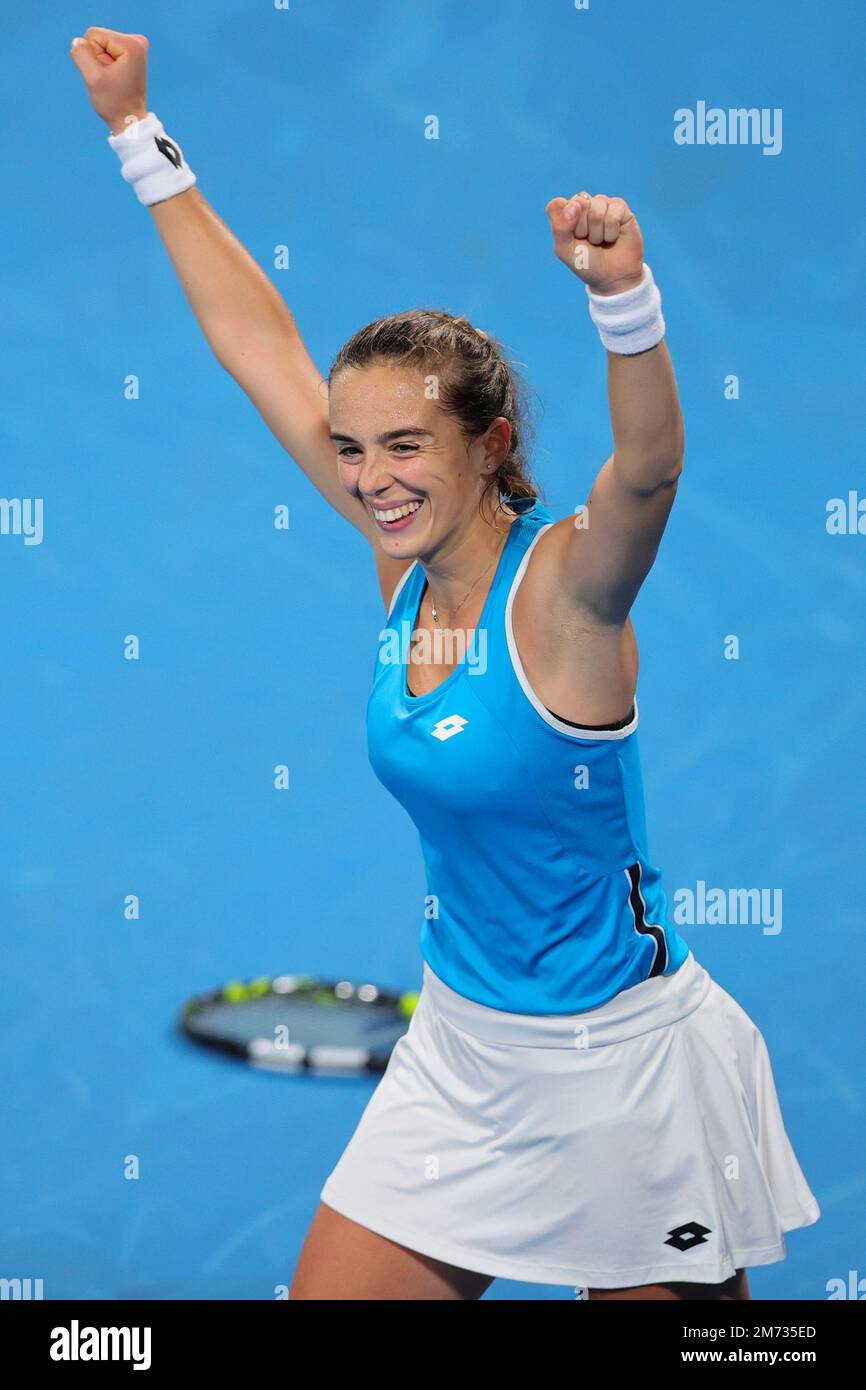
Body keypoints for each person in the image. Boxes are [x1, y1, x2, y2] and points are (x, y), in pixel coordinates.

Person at [71, 27, 821, 1302]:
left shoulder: (572, 595)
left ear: (490, 443)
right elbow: (259, 346)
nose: (370, 479)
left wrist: (620, 300)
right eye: (354, 450)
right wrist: (136, 133)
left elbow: (648, 469)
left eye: (406, 446)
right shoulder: (397, 559)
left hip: (616, 1075)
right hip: (459, 1060)